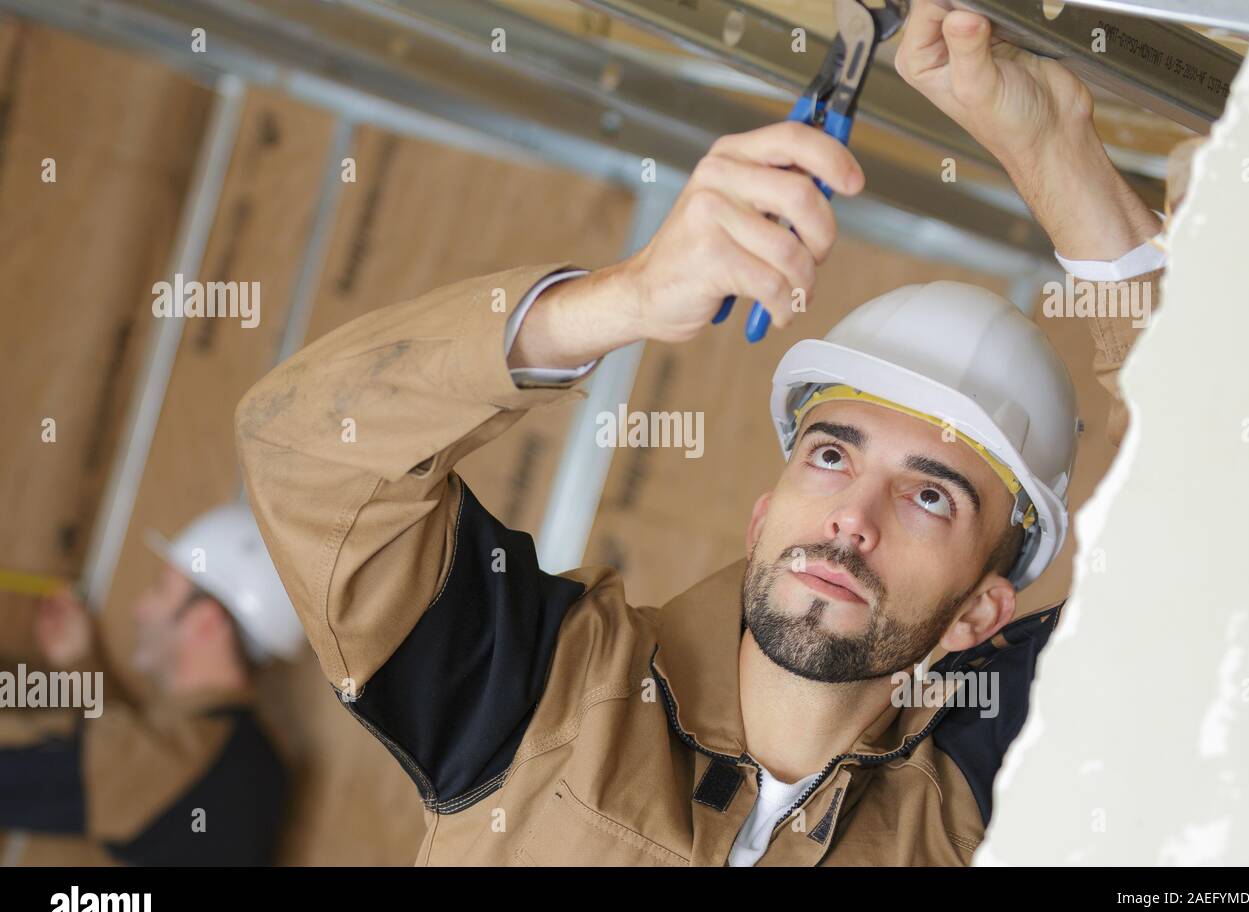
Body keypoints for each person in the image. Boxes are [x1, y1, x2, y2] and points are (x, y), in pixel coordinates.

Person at [234, 0, 1165, 865]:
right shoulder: (546, 702)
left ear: (979, 616)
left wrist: (1058, 158)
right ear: (764, 514)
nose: (851, 517)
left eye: (930, 495)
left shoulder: (996, 798)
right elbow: (308, 450)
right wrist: (623, 298)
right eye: (831, 455)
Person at [0, 504, 298, 865]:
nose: (140, 608)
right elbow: (131, 750)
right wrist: (80, 662)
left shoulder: (179, 761)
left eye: (160, 589)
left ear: (204, 621)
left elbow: (107, 758)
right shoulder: (238, 750)